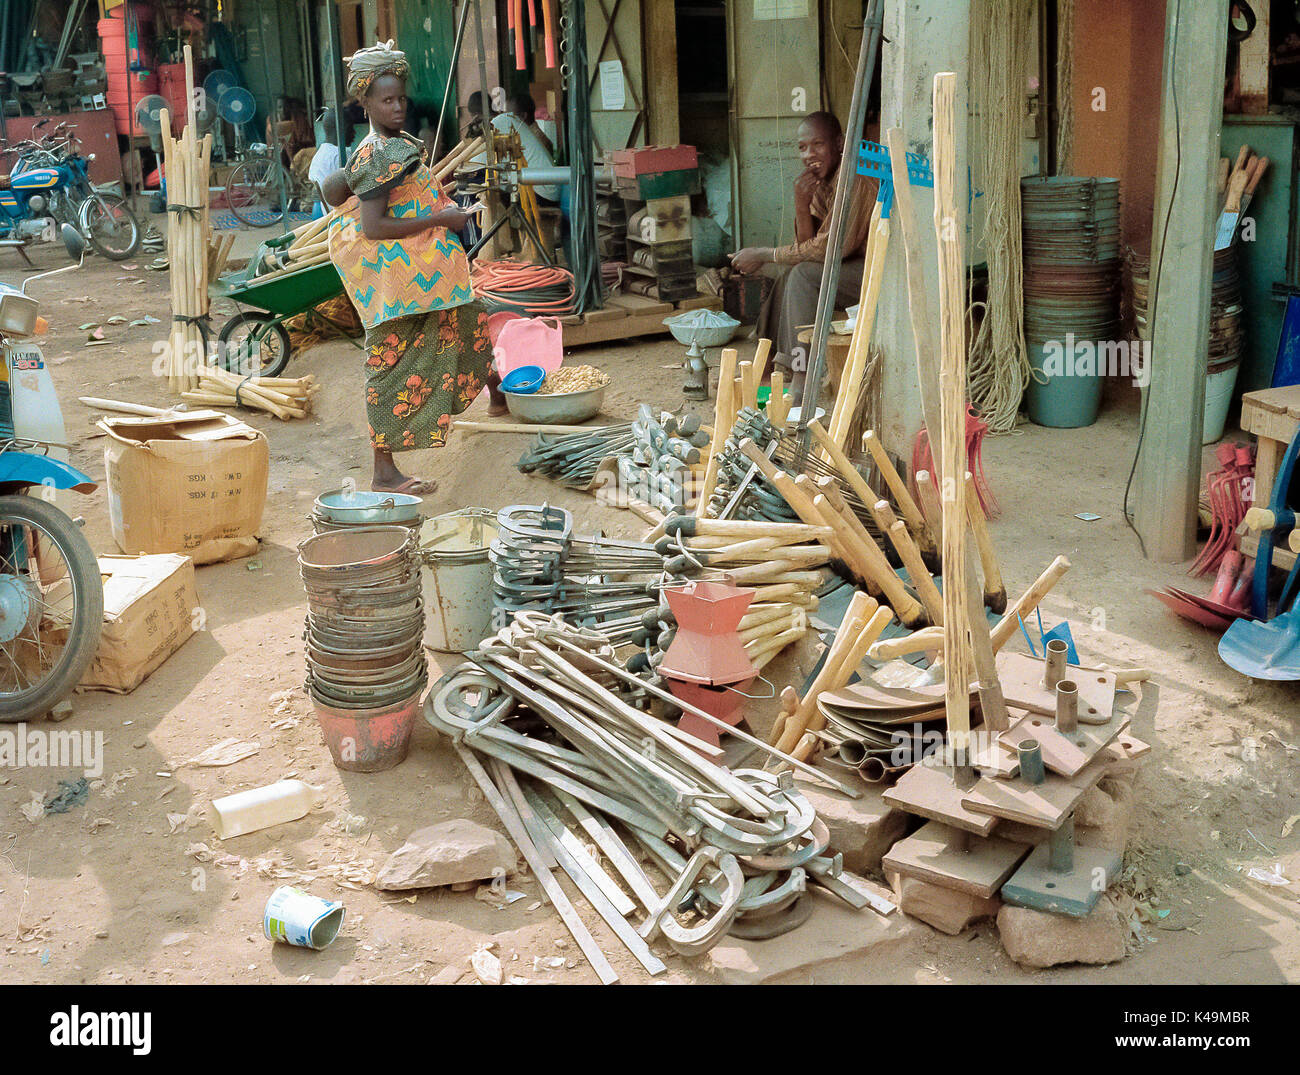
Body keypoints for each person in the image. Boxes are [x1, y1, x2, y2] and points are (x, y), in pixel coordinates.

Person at [321, 40, 507, 498]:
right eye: (387, 100)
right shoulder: (377, 153)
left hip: (428, 274)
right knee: (389, 365)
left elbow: (347, 189)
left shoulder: (396, 143)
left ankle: (501, 395)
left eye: (401, 98)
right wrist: (441, 219)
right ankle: (384, 471)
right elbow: (374, 226)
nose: (398, 107)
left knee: (467, 321)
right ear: (365, 103)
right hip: (398, 281)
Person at [729, 111, 878, 404]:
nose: (809, 155)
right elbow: (805, 249)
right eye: (802, 147)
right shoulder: (825, 183)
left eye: (818, 144)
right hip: (853, 269)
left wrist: (766, 254)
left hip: (881, 272)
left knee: (802, 276)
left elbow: (829, 249)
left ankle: (802, 376)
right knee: (790, 276)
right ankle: (768, 365)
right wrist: (801, 203)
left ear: (839, 144)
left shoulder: (854, 179)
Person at [307, 110, 341, 219]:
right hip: (335, 214)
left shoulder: (320, 154)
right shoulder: (339, 155)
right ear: (341, 128)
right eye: (350, 127)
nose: (354, 132)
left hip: (320, 211)